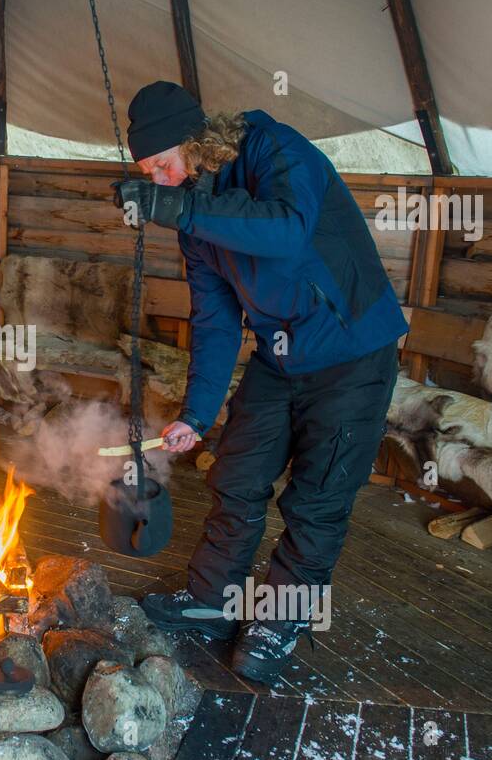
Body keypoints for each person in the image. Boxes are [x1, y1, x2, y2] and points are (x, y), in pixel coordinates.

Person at [115, 81, 408, 683]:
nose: (162, 180)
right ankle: (212, 600)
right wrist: (196, 415)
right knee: (238, 476)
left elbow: (286, 229)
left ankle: (277, 623)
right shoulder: (192, 207)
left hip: (352, 352)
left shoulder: (275, 149)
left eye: (164, 165)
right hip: (279, 357)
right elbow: (216, 318)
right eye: (149, 172)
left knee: (317, 502)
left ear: (195, 143)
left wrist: (180, 209)